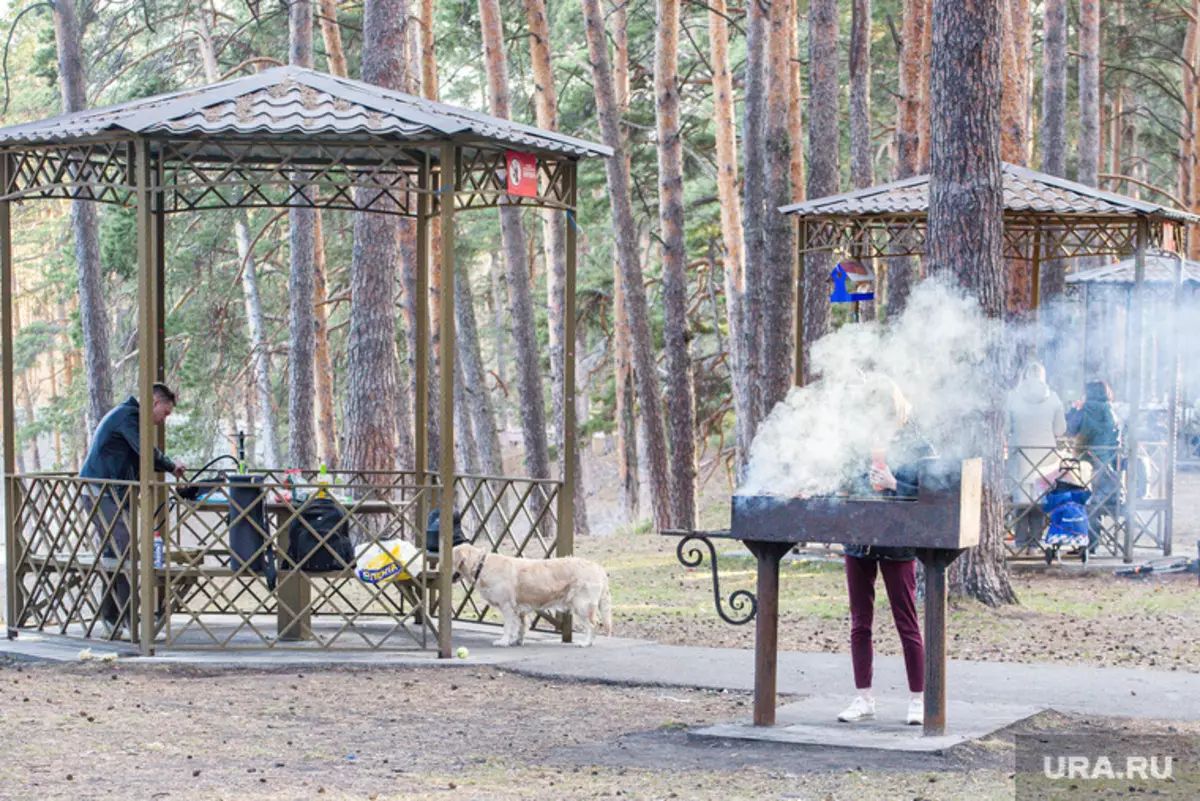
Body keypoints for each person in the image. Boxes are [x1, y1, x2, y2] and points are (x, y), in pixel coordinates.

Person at [838, 375, 929, 726]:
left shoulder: (916, 441)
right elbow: (845, 477)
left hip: (897, 539)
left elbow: (927, 491)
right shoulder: (858, 438)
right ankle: (863, 697)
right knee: (860, 623)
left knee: (906, 621)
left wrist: (895, 484)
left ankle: (918, 700)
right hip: (859, 536)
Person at [79, 383, 187, 639]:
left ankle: (111, 621)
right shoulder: (128, 417)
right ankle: (132, 624)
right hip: (101, 491)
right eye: (166, 412)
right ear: (154, 402)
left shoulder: (128, 417)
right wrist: (171, 466)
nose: (163, 420)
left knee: (113, 555)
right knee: (126, 553)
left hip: (108, 492)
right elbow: (145, 452)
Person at [1006, 362, 1067, 549]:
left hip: (1020, 453)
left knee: (1021, 498)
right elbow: (1060, 430)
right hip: (1045, 456)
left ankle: (1020, 541)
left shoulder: (1012, 398)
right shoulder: (1054, 399)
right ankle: (1036, 542)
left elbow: (1006, 428)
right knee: (1040, 498)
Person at [1067, 379, 1121, 554]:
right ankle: (1092, 543)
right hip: (1106, 466)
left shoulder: (1085, 411)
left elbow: (1070, 429)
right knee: (1095, 504)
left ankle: (1084, 542)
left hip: (1086, 463)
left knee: (1081, 501)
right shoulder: (1112, 412)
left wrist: (1074, 410)